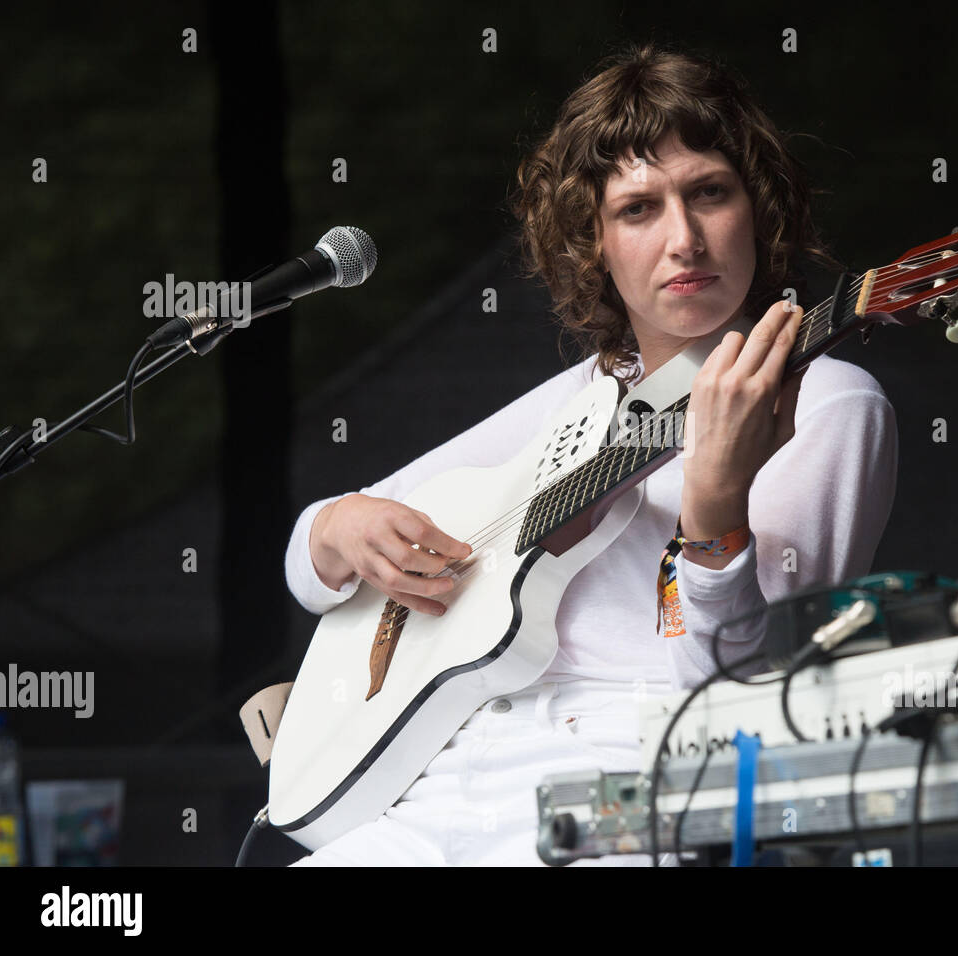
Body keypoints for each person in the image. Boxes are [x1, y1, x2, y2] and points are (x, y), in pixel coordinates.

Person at [284, 43, 898, 866]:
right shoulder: (581, 397)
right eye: (639, 209)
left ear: (758, 209)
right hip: (439, 786)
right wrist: (337, 525)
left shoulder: (828, 401)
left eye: (709, 193)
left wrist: (713, 513)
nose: (684, 239)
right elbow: (307, 561)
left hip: (635, 784)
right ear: (595, 242)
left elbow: (745, 697)